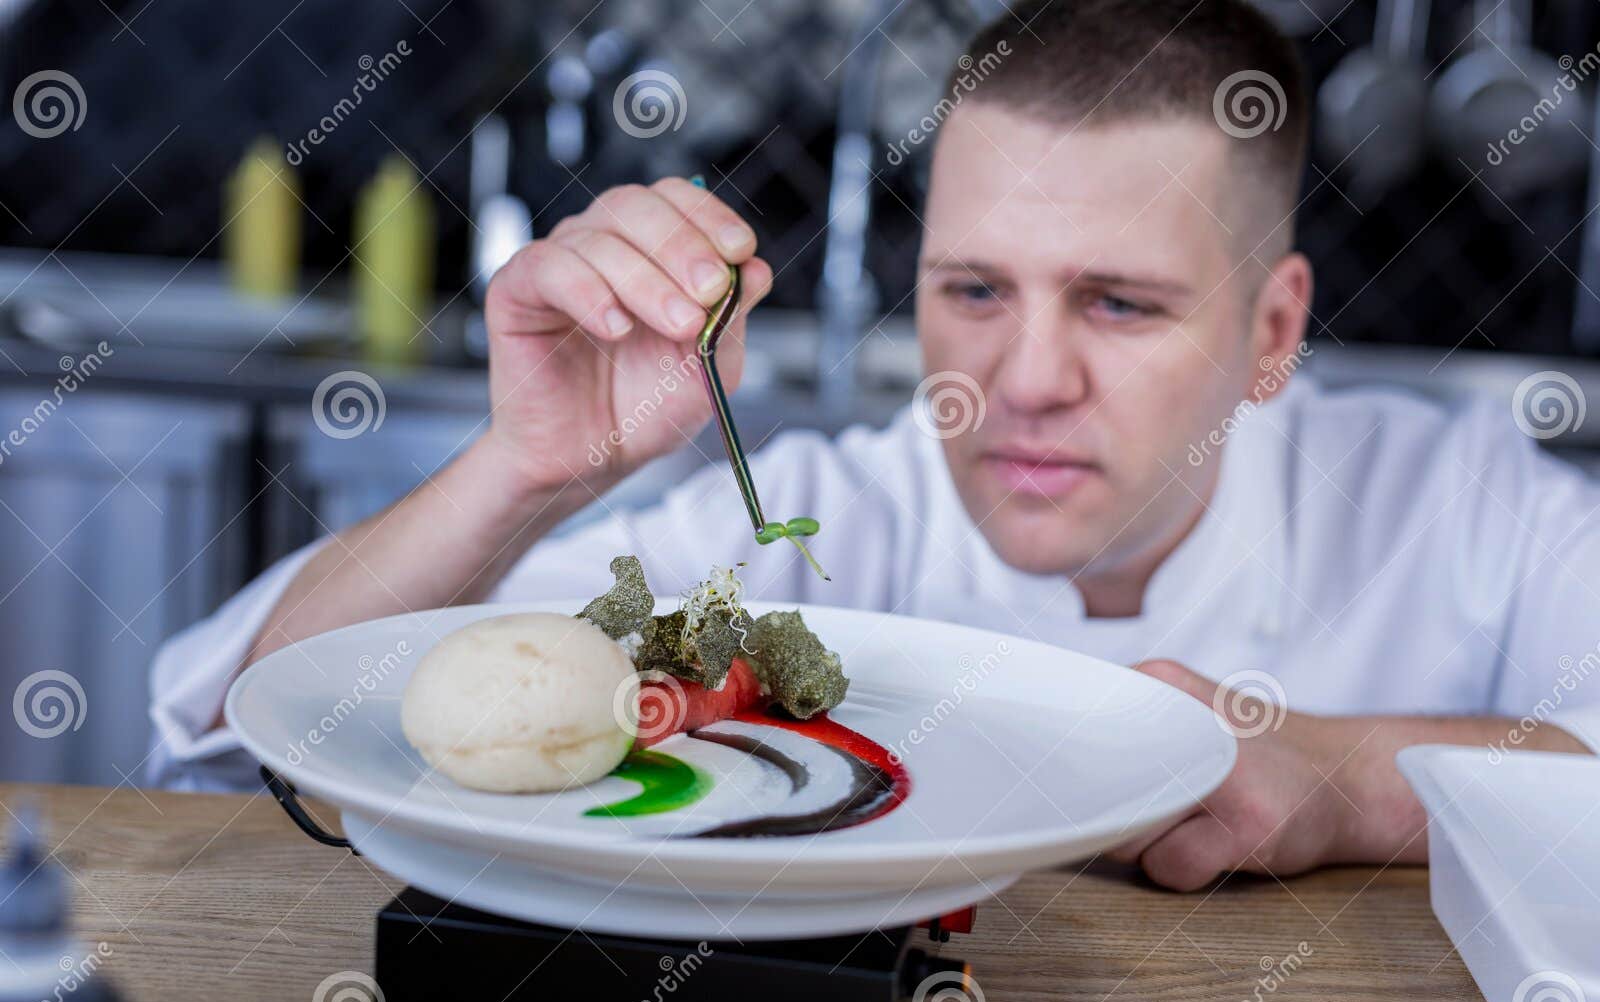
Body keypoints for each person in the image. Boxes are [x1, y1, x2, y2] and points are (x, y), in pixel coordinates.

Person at [149, 0, 1599, 891]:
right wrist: (532, 466)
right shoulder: (808, 525)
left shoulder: (1462, 506)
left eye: (1119, 302)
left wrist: (1349, 784)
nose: (1024, 378)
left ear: (1273, 330)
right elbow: (252, 741)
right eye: (974, 289)